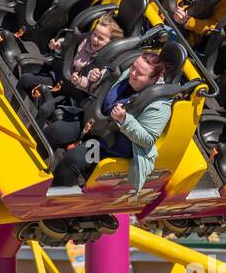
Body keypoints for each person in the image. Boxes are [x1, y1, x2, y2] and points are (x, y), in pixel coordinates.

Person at [51, 52, 174, 193]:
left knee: (72, 160)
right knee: (55, 131)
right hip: (95, 122)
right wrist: (94, 77)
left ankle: (55, 205)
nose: (132, 73)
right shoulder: (126, 74)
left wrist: (125, 119)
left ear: (153, 79)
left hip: (109, 144)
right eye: (133, 67)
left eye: (139, 74)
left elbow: (147, 139)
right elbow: (99, 87)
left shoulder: (159, 105)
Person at [22, 16, 123, 97]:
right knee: (25, 73)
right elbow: (70, 44)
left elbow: (91, 87)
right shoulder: (86, 39)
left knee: (26, 80)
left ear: (111, 43)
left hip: (71, 88)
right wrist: (58, 45)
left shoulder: (104, 62)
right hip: (60, 72)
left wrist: (79, 81)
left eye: (100, 38)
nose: (95, 39)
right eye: (94, 34)